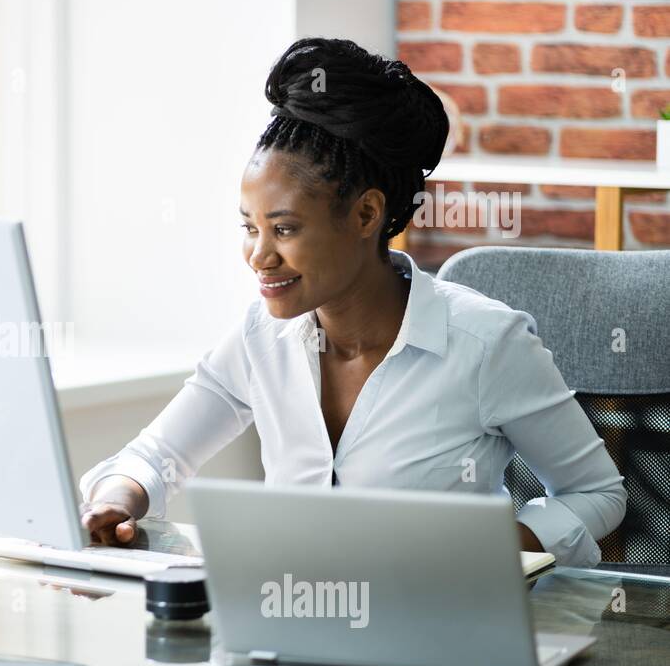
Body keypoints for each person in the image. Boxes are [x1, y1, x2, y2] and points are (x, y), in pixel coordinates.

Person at [78, 38, 625, 568]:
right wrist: (119, 499)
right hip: (292, 626)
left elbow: (596, 492)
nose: (258, 257)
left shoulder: (486, 344)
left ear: (366, 215)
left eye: (285, 229)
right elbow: (153, 457)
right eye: (250, 228)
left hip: (439, 636)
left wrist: (491, 549)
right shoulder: (259, 339)